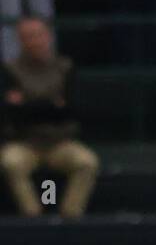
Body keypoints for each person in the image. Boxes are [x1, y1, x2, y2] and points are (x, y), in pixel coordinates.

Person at [0, 17, 98, 218]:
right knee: (10, 162)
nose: (34, 41)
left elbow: (70, 110)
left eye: (38, 35)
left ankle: (70, 218)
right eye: (27, 37)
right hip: (24, 143)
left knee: (87, 162)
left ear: (48, 36)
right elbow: (11, 113)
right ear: (20, 40)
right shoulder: (9, 70)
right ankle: (33, 217)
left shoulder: (65, 67)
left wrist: (28, 105)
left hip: (60, 142)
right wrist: (52, 105)